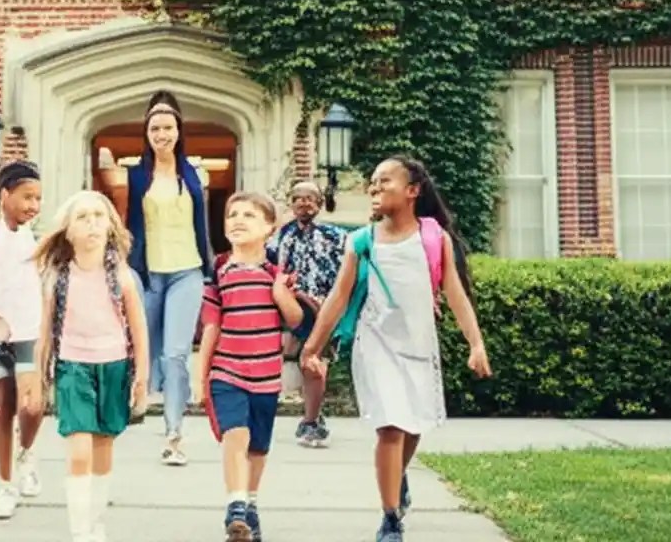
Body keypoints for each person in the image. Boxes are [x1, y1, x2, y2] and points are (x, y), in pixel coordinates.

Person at [301, 156, 493, 542]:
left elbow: (454, 293)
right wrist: (311, 350)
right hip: (376, 345)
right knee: (391, 426)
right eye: (372, 181)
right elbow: (337, 299)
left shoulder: (433, 237)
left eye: (384, 181)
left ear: (412, 191)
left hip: (419, 345)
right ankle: (390, 519)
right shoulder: (362, 241)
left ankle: (397, 476)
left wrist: (476, 344)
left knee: (413, 426)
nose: (374, 187)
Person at [35, 190, 150, 542]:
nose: (92, 224)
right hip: (73, 366)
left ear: (110, 227)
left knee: (103, 445)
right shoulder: (58, 277)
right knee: (79, 448)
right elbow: (44, 332)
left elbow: (139, 328)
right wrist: (39, 378)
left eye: (99, 216)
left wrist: (142, 376)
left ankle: (96, 520)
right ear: (67, 231)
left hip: (113, 366)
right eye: (83, 217)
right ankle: (80, 531)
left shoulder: (123, 276)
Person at [198, 192, 304, 542]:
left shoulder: (276, 274)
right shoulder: (219, 272)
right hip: (227, 371)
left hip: (266, 376)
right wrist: (202, 375)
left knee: (258, 446)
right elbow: (212, 326)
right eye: (232, 214)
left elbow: (296, 319)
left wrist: (280, 292)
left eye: (249, 215)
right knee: (235, 435)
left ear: (269, 228)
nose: (238, 220)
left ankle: (251, 504)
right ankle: (236, 505)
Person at [126, 90, 213, 466]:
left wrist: (211, 268)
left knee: (176, 354)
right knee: (142, 350)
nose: (162, 134)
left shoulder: (195, 174)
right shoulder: (134, 175)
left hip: (186, 270)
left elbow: (203, 225)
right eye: (155, 128)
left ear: (179, 131)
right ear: (146, 132)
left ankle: (174, 434)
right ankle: (133, 405)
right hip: (147, 274)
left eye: (168, 127)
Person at [0, 160, 46, 520]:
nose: (34, 205)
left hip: (30, 333)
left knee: (33, 407)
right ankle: (6, 486)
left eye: (38, 198)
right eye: (27, 197)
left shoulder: (36, 236)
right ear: (5, 195)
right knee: (3, 407)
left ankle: (27, 451)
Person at [266, 181, 346, 448]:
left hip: (324, 307)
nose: (304, 203)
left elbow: (349, 272)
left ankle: (311, 419)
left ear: (319, 203)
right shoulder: (281, 237)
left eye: (310, 198)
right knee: (299, 361)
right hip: (292, 306)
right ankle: (309, 417)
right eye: (298, 198)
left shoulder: (336, 235)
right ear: (291, 203)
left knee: (313, 363)